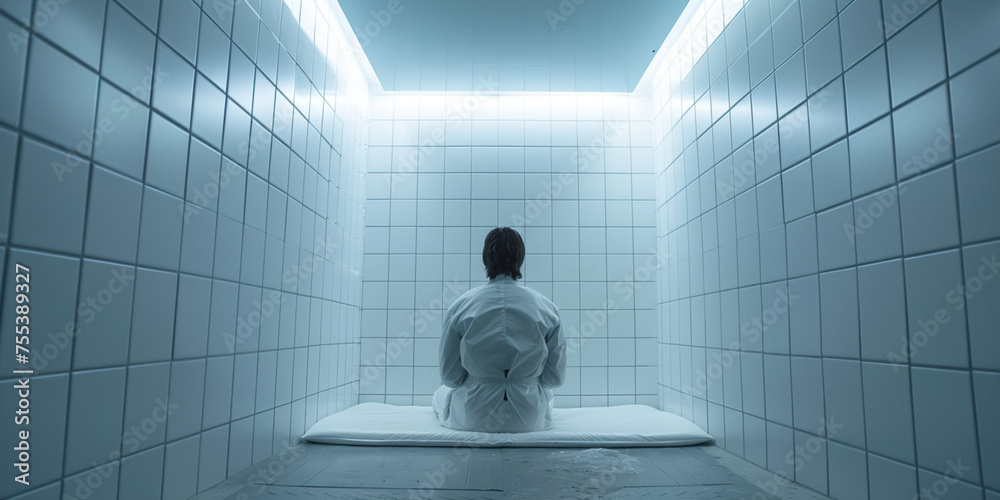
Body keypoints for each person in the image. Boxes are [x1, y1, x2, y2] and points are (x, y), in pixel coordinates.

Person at [432, 227, 566, 432]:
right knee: (548, 395)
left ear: (486, 259)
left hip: (474, 416)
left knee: (440, 393)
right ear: (520, 259)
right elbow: (554, 379)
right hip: (528, 418)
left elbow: (451, 377)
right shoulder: (548, 308)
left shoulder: (460, 307)